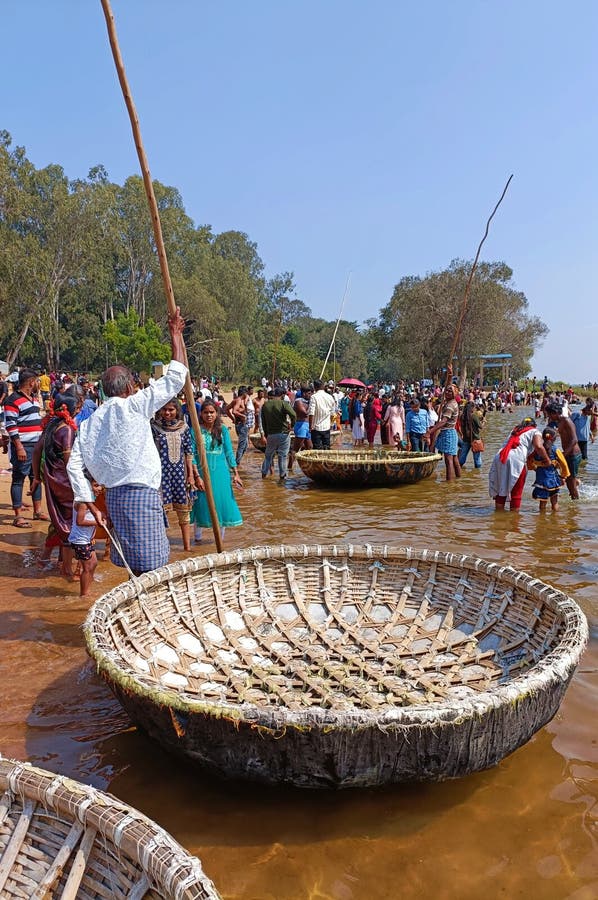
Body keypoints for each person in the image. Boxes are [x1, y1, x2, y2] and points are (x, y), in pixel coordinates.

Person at [67, 307, 188, 575]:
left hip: (115, 498)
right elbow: (176, 376)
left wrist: (88, 501)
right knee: (153, 565)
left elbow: (74, 467)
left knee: (134, 561)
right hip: (139, 493)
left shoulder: (89, 423)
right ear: (129, 388)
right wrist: (175, 334)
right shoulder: (134, 405)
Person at [31, 390, 83, 578]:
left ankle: (46, 558)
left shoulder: (50, 427)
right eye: (77, 407)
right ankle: (67, 569)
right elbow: (70, 462)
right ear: (69, 409)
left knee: (57, 520)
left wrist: (37, 478)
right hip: (65, 483)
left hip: (51, 481)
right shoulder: (67, 430)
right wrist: (83, 483)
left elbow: (36, 451)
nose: (79, 410)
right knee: (70, 523)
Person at [190, 400, 243, 543]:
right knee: (200, 503)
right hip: (201, 472)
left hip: (221, 472)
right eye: (206, 412)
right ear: (201, 414)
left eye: (212, 412)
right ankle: (198, 539)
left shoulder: (223, 430)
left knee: (221, 502)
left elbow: (228, 452)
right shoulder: (195, 430)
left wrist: (236, 473)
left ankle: (219, 541)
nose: (209, 415)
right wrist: (196, 476)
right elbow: (192, 455)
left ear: (217, 413)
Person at [152, 398, 195, 553]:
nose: (167, 413)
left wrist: (190, 475)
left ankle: (187, 548)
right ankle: (162, 549)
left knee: (184, 512)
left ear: (177, 410)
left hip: (180, 474)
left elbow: (189, 452)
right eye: (164, 409)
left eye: (171, 409)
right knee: (162, 512)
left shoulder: (183, 428)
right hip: (160, 476)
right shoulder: (154, 427)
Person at [4, 368, 46, 527]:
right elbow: (11, 425)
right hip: (23, 446)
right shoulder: (12, 400)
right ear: (31, 382)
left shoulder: (34, 398)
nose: (37, 384)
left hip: (36, 446)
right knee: (18, 478)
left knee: (36, 478)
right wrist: (19, 447)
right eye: (36, 381)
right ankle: (18, 516)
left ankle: (38, 511)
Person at [488, 417, 550, 510]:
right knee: (516, 491)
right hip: (515, 459)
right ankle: (514, 520)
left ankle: (498, 517)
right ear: (534, 425)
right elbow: (538, 446)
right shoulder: (535, 431)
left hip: (500, 457)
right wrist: (547, 460)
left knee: (501, 488)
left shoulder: (515, 430)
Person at [68, 481, 105, 597]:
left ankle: (87, 588)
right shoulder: (83, 502)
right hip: (80, 540)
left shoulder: (88, 501)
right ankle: (84, 594)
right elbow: (80, 521)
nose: (99, 489)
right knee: (87, 567)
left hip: (85, 539)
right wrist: (98, 523)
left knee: (93, 564)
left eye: (100, 486)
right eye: (95, 486)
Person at [545, 402, 582, 499]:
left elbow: (574, 440)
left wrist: (563, 455)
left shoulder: (566, 421)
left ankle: (575, 502)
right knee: (568, 479)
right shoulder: (558, 422)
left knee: (571, 480)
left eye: (550, 414)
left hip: (574, 454)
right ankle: (574, 500)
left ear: (556, 413)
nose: (549, 416)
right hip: (568, 453)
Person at [528, 426, 569, 512]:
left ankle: (542, 522)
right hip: (553, 481)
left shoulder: (537, 450)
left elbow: (529, 460)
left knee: (542, 504)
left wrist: (534, 468)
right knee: (555, 503)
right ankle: (555, 521)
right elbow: (564, 463)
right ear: (554, 438)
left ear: (542, 437)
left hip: (541, 481)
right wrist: (564, 476)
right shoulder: (555, 450)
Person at [428, 385, 461, 480]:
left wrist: (430, 431)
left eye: (450, 391)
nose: (447, 392)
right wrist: (450, 374)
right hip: (449, 432)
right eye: (446, 391)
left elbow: (443, 421)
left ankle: (449, 484)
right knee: (454, 459)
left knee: (449, 460)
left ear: (454, 393)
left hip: (448, 433)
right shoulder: (450, 402)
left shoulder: (450, 405)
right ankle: (458, 479)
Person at [307, 379, 336, 450]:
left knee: (317, 450)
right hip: (326, 428)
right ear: (323, 386)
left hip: (316, 428)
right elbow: (333, 414)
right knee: (326, 449)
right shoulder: (330, 397)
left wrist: (310, 427)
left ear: (314, 387)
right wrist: (331, 424)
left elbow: (311, 413)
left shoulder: (314, 397)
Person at [289, 387, 312, 471]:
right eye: (309, 393)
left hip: (307, 426)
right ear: (304, 393)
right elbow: (304, 413)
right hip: (301, 425)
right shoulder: (298, 401)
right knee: (295, 448)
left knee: (309, 447)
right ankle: (289, 467)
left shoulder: (306, 402)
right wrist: (311, 406)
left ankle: (307, 467)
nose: (310, 395)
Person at [457, 401, 484, 469]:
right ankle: (477, 474)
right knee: (477, 459)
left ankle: (458, 468)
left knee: (462, 457)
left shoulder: (462, 416)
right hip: (475, 439)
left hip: (466, 439)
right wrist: (483, 422)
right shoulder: (474, 416)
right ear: (472, 408)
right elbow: (480, 426)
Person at [227, 387, 249, 466]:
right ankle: (237, 463)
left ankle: (237, 461)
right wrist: (243, 416)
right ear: (244, 393)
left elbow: (227, 409)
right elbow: (234, 411)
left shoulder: (236, 400)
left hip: (239, 424)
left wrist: (232, 418)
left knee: (245, 445)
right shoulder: (239, 400)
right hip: (241, 425)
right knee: (242, 445)